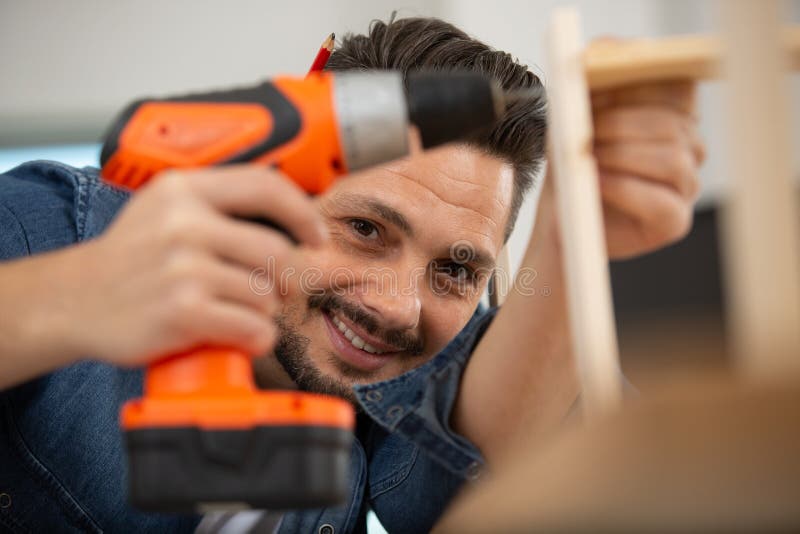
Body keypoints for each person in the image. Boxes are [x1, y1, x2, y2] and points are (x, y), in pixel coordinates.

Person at [0, 16, 703, 534]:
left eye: (456, 268)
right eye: (366, 230)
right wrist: (67, 299)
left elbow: (491, 474)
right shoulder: (63, 229)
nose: (398, 307)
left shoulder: (431, 358)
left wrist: (579, 231)